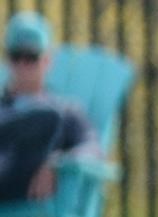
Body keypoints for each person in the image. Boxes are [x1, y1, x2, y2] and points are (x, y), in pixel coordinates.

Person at [0, 11, 97, 205]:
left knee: (46, 120)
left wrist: (57, 164)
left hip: (32, 203)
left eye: (31, 57)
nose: (22, 65)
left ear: (47, 60)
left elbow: (92, 148)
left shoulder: (65, 111)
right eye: (16, 56)